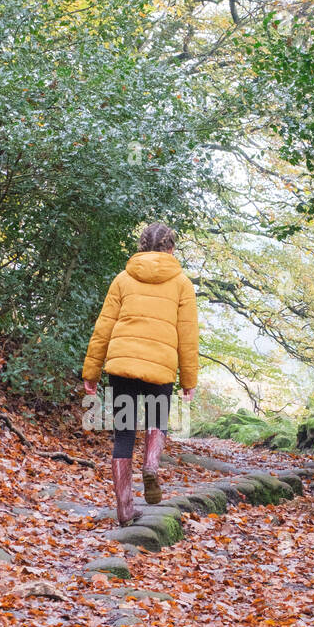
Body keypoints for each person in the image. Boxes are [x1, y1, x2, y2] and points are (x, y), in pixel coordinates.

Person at [82, 221, 199, 525]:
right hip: (160, 368)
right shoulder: (182, 283)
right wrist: (189, 379)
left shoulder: (123, 279)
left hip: (122, 366)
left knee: (123, 434)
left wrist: (91, 371)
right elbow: (188, 336)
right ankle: (150, 465)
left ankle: (124, 510)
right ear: (170, 248)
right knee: (157, 420)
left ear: (141, 246)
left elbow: (103, 327)